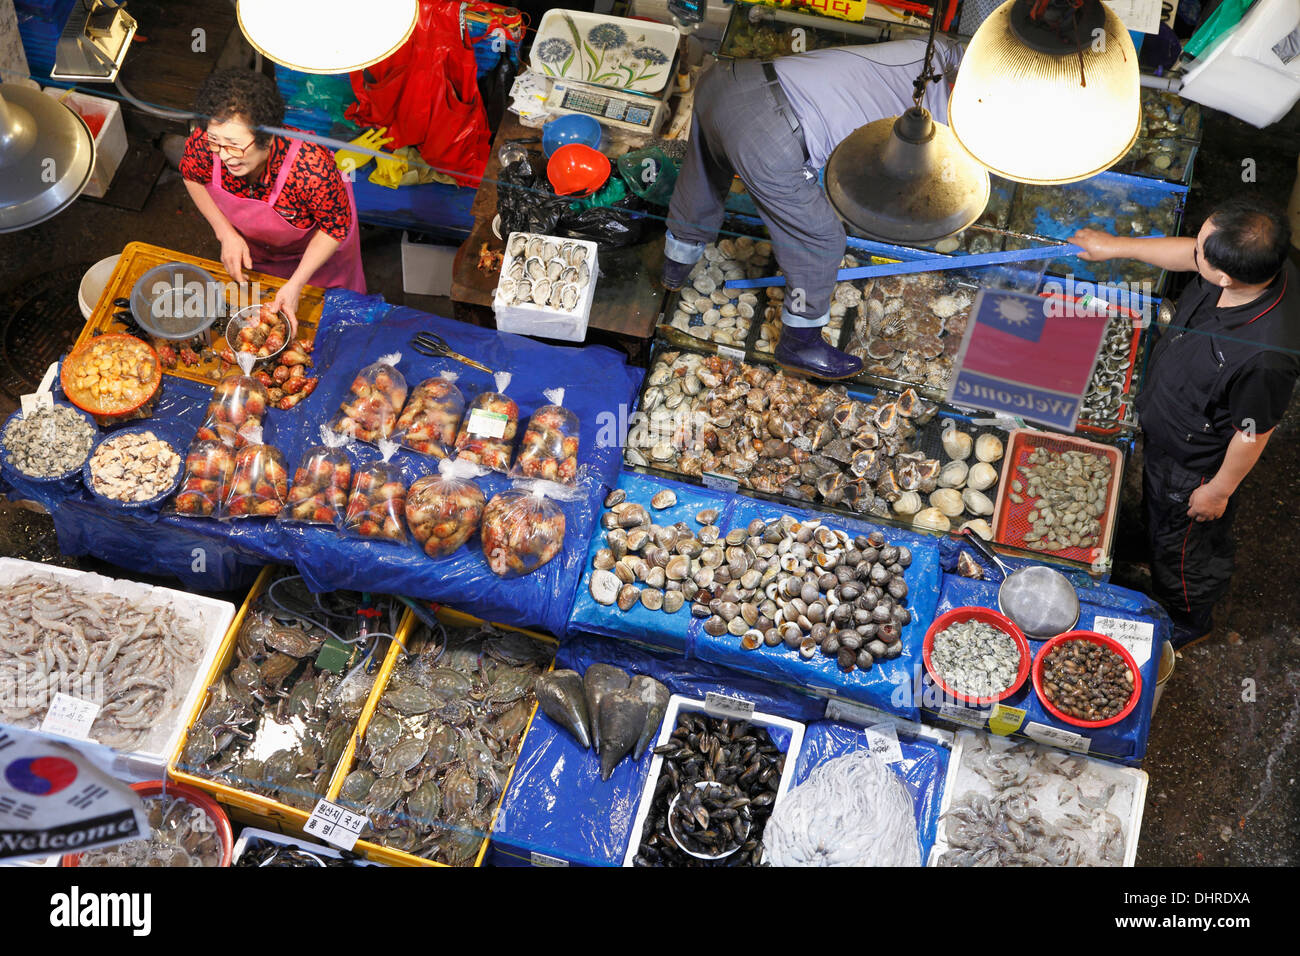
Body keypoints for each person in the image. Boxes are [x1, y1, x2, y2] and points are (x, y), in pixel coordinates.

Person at [662, 36, 964, 379]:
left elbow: (965, 53)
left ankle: (677, 260)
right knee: (821, 239)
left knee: (703, 173)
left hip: (725, 81)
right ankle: (799, 342)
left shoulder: (934, 51)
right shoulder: (942, 131)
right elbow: (896, 196)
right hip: (769, 135)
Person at [1071, 197, 1299, 647]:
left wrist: (1217, 491)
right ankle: (1150, 536)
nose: (1191, 252)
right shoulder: (1254, 264)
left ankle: (1187, 617)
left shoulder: (1267, 358)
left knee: (1185, 548)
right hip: (1170, 424)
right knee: (1159, 510)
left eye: (1200, 252)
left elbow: (1253, 432)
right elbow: (1191, 254)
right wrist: (1115, 246)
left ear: (1225, 277)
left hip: (1196, 464)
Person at [181, 69, 366, 324]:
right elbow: (191, 176)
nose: (223, 155)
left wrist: (297, 283)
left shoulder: (311, 168)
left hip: (319, 256)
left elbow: (334, 228)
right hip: (261, 251)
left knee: (335, 319)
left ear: (266, 138)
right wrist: (225, 233)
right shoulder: (204, 145)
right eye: (216, 141)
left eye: (234, 145)